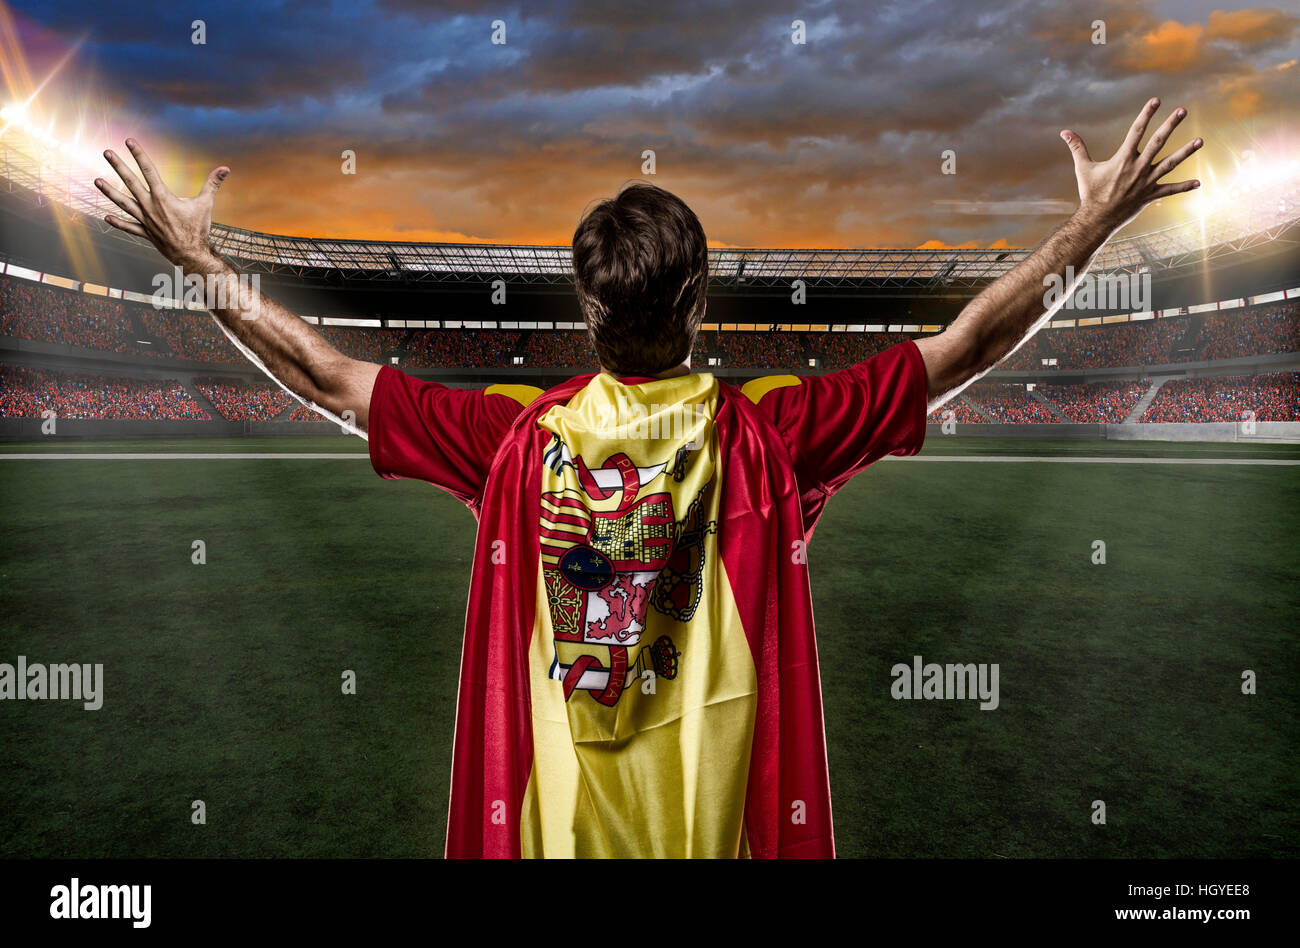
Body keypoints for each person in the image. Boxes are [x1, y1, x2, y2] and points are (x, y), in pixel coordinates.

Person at [95, 98, 1201, 857]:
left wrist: (197, 260)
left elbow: (328, 376)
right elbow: (966, 346)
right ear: (699, 300)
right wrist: (1093, 221)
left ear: (586, 309)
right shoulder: (770, 433)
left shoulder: (513, 439)